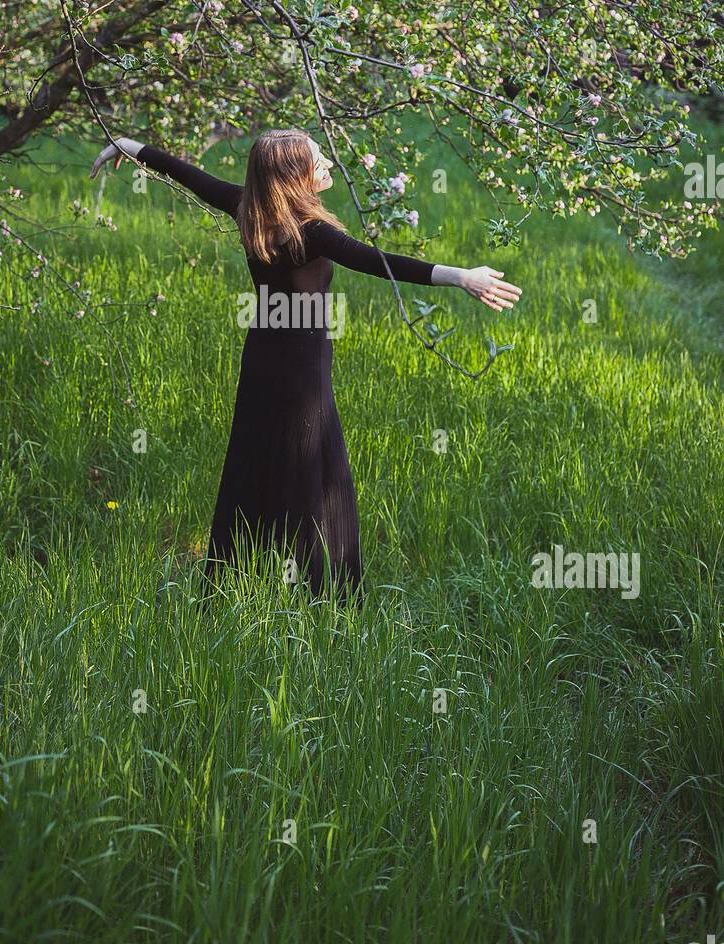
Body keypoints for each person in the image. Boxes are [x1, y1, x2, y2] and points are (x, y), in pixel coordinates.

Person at [90, 129, 521, 601]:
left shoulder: (250, 209)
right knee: (317, 477)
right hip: (302, 374)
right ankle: (324, 596)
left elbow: (192, 177)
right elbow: (377, 261)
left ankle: (241, 581)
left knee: (255, 468)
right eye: (318, 158)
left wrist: (131, 147)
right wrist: (461, 276)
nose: (328, 162)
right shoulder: (311, 231)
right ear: (296, 175)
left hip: (260, 363)